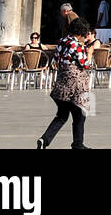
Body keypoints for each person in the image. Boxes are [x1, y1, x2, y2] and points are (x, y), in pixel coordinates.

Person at [37, 18, 97, 149]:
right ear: (81, 32)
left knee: (62, 115)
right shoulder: (77, 45)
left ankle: (44, 139)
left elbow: (56, 58)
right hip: (76, 85)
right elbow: (85, 64)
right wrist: (90, 54)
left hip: (62, 82)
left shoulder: (62, 41)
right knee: (80, 115)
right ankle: (78, 144)